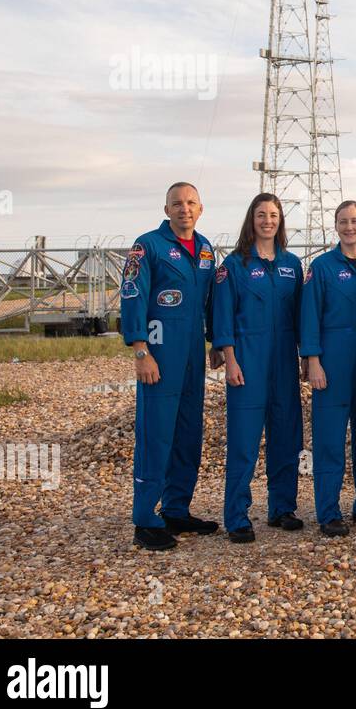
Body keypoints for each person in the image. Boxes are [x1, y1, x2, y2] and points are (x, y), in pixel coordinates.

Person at [121, 182, 220, 550]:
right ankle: (145, 519)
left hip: (193, 353)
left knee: (188, 433)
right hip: (159, 353)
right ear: (166, 210)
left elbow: (212, 299)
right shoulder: (147, 246)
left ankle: (177, 509)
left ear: (201, 208)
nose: (184, 209)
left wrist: (216, 341)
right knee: (156, 433)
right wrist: (140, 350)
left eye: (191, 202)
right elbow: (132, 295)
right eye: (177, 203)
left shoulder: (207, 250)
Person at [211, 193, 304, 543]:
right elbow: (223, 316)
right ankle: (236, 516)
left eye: (274, 215)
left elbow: (301, 317)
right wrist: (230, 359)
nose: (268, 220)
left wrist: (306, 357)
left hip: (283, 362)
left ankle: (282, 508)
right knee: (244, 442)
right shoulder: (233, 266)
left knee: (286, 436)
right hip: (247, 361)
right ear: (251, 219)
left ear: (281, 221)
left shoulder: (291, 265)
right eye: (261, 214)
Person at [299, 200, 356, 537]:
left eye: (355, 221)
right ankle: (328, 511)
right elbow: (309, 315)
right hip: (333, 360)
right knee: (329, 439)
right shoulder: (321, 267)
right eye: (343, 221)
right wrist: (312, 360)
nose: (349, 227)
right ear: (335, 226)